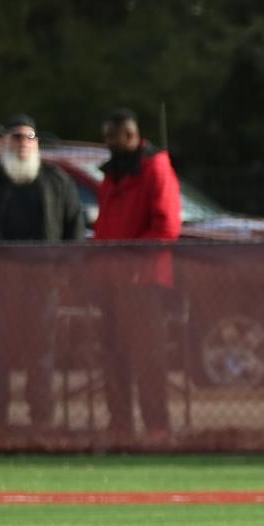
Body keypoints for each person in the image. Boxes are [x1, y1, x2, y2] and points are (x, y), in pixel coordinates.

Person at [92, 108, 181, 442]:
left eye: (113, 138)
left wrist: (132, 261)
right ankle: (120, 425)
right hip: (110, 279)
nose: (109, 144)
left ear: (130, 136)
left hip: (143, 281)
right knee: (113, 354)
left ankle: (156, 426)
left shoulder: (155, 167)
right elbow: (105, 225)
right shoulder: (112, 174)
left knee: (148, 357)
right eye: (107, 138)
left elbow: (167, 226)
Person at [0, 115, 84, 430]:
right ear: (4, 142)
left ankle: (41, 421)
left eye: (29, 137)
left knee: (40, 353)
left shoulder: (56, 181)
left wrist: (65, 273)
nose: (22, 143)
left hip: (43, 283)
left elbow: (75, 229)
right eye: (16, 137)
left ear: (36, 143)